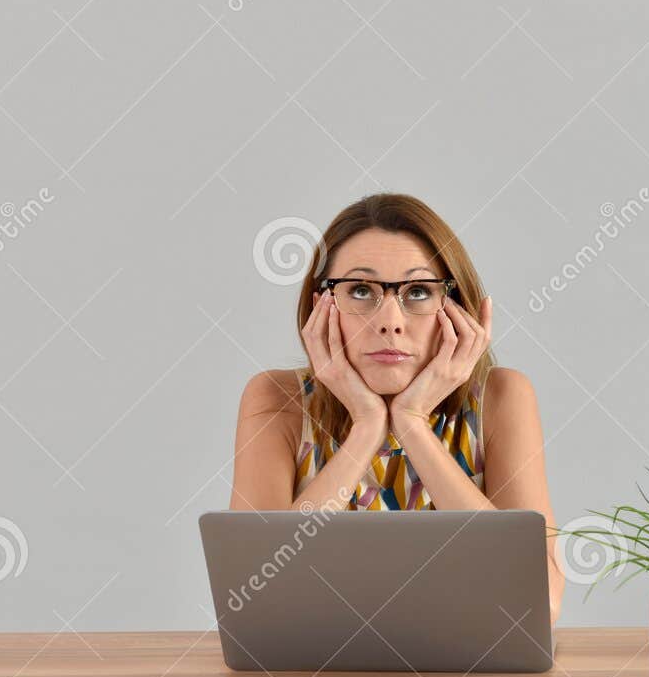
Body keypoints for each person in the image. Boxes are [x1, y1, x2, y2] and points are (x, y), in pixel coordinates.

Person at [230, 193, 565, 624]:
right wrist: (368, 426)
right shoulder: (277, 399)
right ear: (321, 308)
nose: (389, 320)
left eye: (419, 291)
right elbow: (252, 599)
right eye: (361, 290)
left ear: (457, 308)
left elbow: (541, 601)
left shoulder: (502, 397)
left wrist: (410, 423)